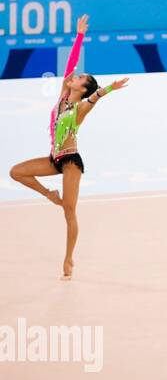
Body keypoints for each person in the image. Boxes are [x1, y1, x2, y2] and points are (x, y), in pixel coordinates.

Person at [9, 14, 129, 280]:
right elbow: (71, 62)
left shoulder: (79, 108)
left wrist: (110, 88)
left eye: (79, 78)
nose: (73, 76)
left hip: (71, 161)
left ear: (82, 88)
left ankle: (68, 258)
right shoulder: (64, 96)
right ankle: (49, 195)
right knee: (16, 172)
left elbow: (95, 98)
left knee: (70, 210)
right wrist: (79, 36)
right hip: (54, 158)